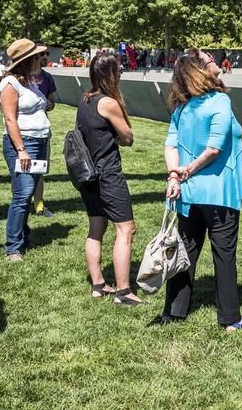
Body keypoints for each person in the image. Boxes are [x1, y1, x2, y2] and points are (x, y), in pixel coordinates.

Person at [163, 55, 242, 330]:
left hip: (188, 192)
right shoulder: (219, 101)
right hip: (219, 190)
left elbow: (170, 145)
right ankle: (231, 318)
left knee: (185, 251)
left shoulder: (182, 107)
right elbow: (214, 149)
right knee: (224, 254)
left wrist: (175, 175)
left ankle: (174, 311)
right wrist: (186, 171)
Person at [75, 52, 141, 305]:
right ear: (111, 74)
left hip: (88, 174)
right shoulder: (108, 103)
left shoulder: (85, 99)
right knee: (126, 229)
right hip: (107, 174)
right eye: (119, 68)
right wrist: (116, 138)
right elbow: (128, 137)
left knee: (96, 228)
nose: (122, 71)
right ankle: (124, 292)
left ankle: (99, 285)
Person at [0, 39, 51, 262]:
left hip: (39, 139)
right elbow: (10, 119)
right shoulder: (10, 84)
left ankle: (23, 236)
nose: (41, 59)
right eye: (37, 56)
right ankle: (13, 247)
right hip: (23, 143)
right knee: (23, 193)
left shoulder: (30, 82)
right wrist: (21, 149)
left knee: (27, 191)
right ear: (27, 60)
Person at [32, 56, 58, 218]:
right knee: (22, 170)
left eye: (46, 53)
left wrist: (50, 104)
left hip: (42, 129)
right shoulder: (19, 78)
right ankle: (21, 203)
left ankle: (39, 205)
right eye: (41, 53)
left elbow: (52, 101)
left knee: (39, 168)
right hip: (24, 132)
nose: (45, 57)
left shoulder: (47, 77)